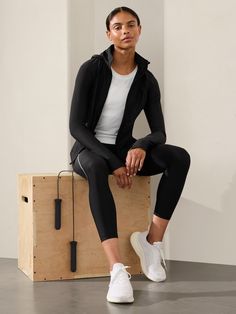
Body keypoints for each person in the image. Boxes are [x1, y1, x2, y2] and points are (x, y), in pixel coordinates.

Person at [69, 6, 190, 304]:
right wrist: (113, 162)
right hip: (89, 150)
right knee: (97, 167)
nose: (126, 31)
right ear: (109, 34)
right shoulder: (92, 68)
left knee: (179, 157)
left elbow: (160, 132)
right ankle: (117, 270)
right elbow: (76, 126)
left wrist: (141, 145)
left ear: (139, 30)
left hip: (125, 149)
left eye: (131, 25)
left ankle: (152, 243)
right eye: (119, 26)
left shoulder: (146, 79)